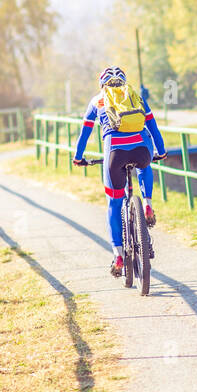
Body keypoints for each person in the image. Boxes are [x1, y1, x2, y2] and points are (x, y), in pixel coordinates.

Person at [73, 66, 167, 276]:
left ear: (102, 84)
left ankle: (118, 256)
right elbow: (153, 128)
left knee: (114, 203)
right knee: (145, 164)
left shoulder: (96, 101)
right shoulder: (136, 98)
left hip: (115, 154)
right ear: (124, 82)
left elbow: (84, 134)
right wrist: (160, 152)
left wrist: (78, 158)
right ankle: (147, 204)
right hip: (142, 150)